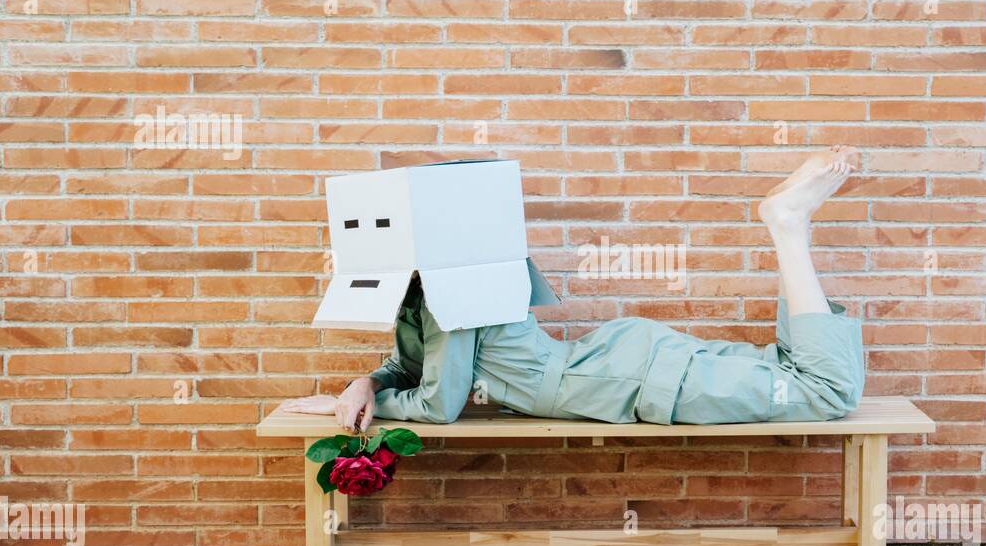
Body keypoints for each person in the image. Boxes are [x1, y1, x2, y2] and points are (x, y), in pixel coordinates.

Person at [283, 147, 864, 429]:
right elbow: (411, 367)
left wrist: (366, 405)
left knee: (825, 392)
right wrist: (363, 382)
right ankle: (790, 225)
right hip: (614, 365)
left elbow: (440, 403)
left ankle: (787, 226)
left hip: (619, 379)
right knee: (802, 374)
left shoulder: (446, 298)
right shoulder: (438, 290)